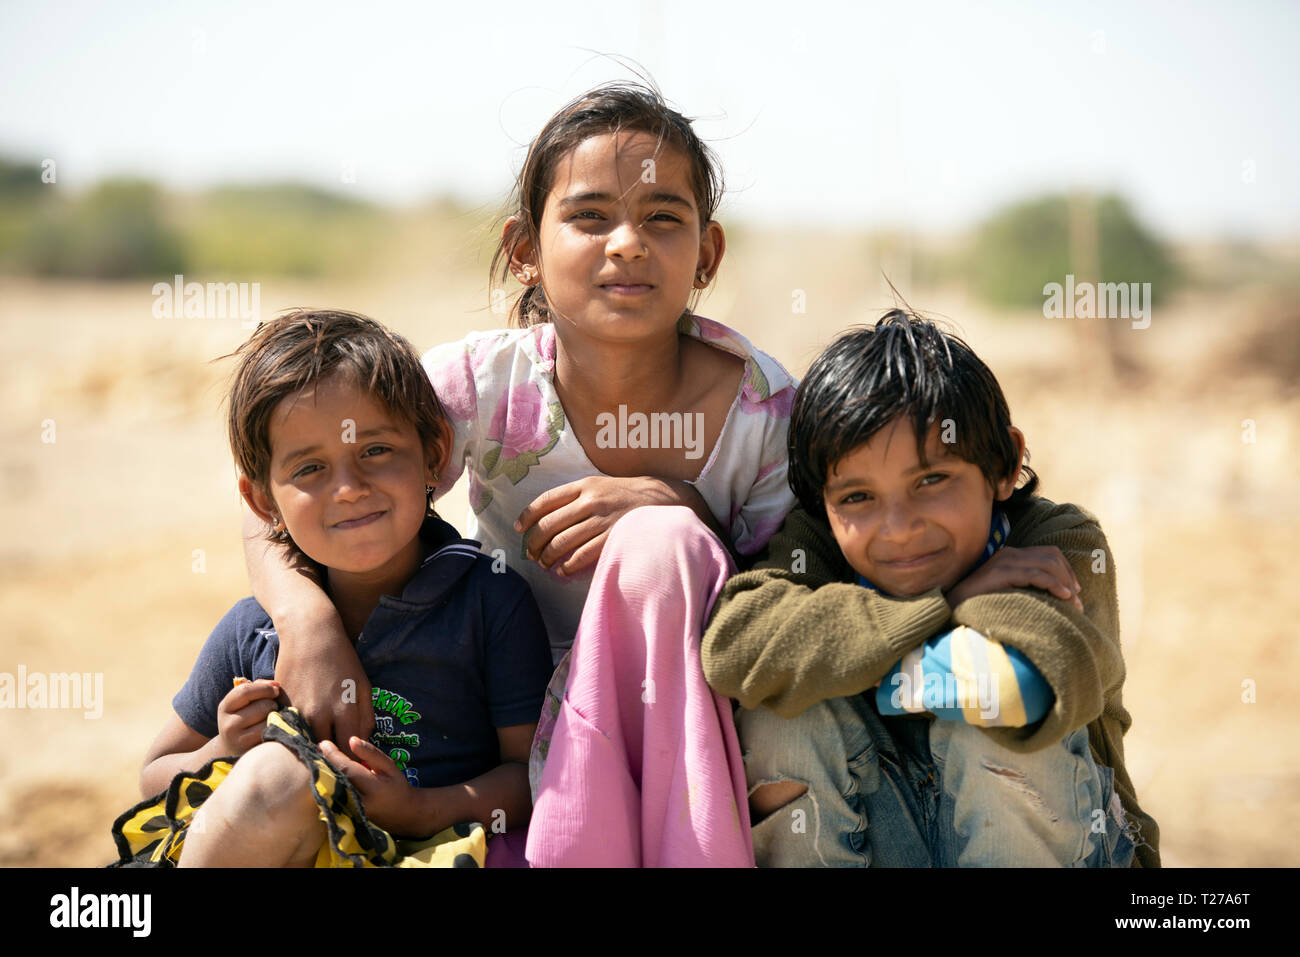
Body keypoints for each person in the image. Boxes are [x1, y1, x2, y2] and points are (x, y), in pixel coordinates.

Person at [245, 84, 798, 866]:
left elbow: (808, 582)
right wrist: (309, 622)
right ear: (524, 250)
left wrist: (685, 508)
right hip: (504, 728)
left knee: (663, 539)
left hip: (692, 725)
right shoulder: (481, 386)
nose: (628, 243)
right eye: (591, 216)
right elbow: (281, 505)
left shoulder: (764, 413)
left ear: (706, 255)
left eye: (663, 219)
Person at [702, 310, 1161, 867]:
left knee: (988, 720)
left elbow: (1023, 684)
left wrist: (842, 660)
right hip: (888, 837)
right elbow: (737, 647)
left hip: (1049, 844)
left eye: (931, 481)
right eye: (858, 497)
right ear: (822, 501)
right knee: (782, 713)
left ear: (1004, 464)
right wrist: (944, 604)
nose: (898, 527)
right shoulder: (816, 541)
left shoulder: (1053, 541)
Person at [114, 309, 553, 867]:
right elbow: (154, 777)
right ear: (262, 503)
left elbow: (530, 775)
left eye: (375, 451)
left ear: (434, 456)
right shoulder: (254, 630)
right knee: (277, 772)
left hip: (423, 849)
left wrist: (420, 809)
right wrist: (223, 749)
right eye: (310, 469)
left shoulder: (489, 602)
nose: (348, 489)